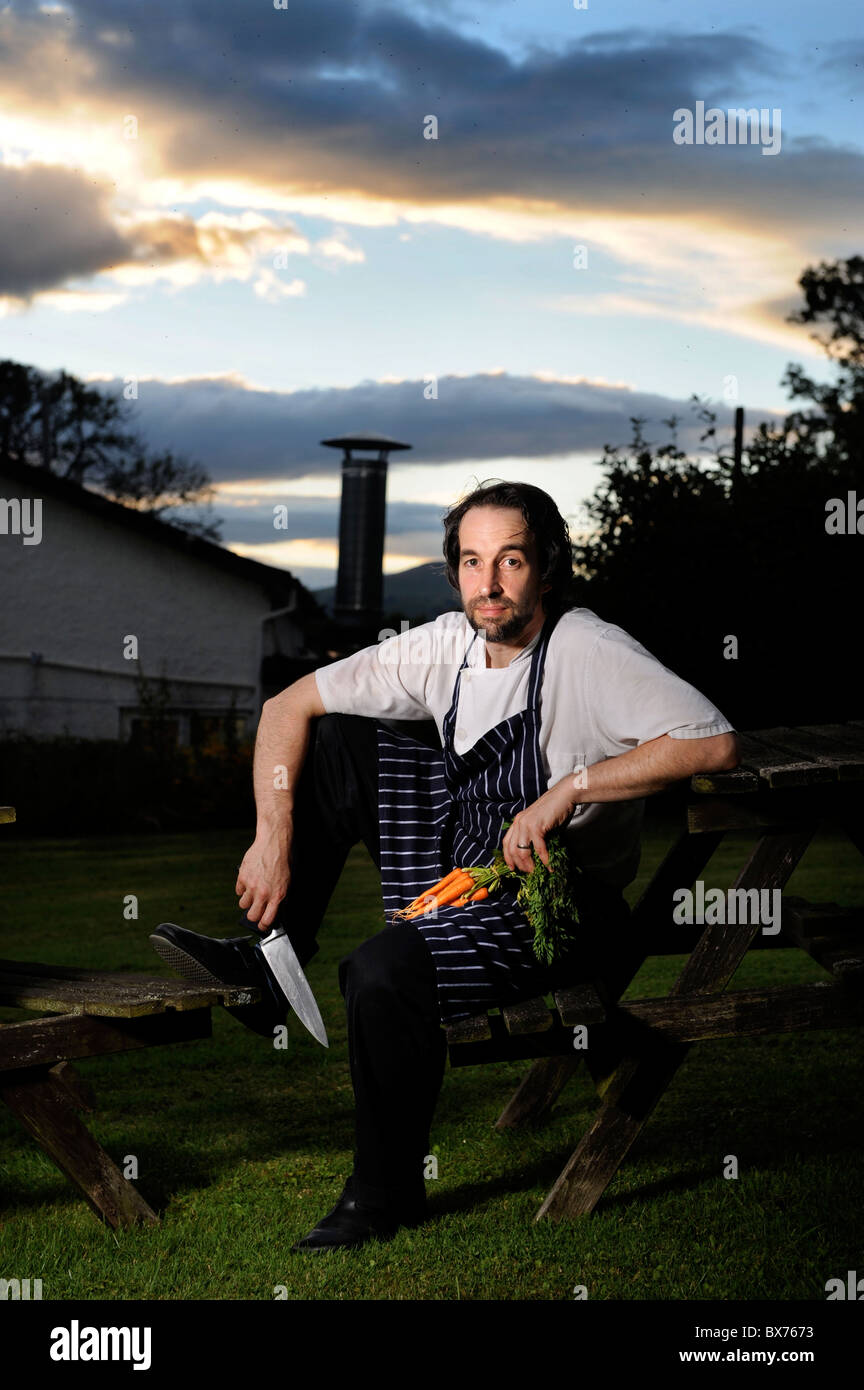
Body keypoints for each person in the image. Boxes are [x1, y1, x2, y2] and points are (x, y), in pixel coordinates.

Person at [151, 480, 739, 1252]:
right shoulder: (443, 646)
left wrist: (572, 788)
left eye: (511, 561)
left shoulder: (589, 651)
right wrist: (272, 833)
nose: (488, 585)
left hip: (559, 908)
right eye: (470, 562)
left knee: (382, 973)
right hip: (465, 865)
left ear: (549, 569)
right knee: (341, 736)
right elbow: (286, 706)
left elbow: (713, 740)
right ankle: (272, 961)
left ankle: (382, 1194)